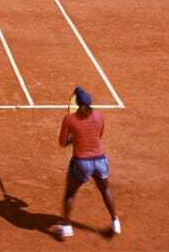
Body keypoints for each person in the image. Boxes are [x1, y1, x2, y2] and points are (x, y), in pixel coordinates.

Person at [51, 86, 120, 239]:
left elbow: (63, 142)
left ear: (77, 104)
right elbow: (98, 135)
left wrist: (74, 137)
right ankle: (115, 221)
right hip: (101, 160)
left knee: (70, 193)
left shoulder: (69, 119)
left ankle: (67, 227)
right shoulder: (99, 116)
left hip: (82, 163)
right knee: (105, 189)